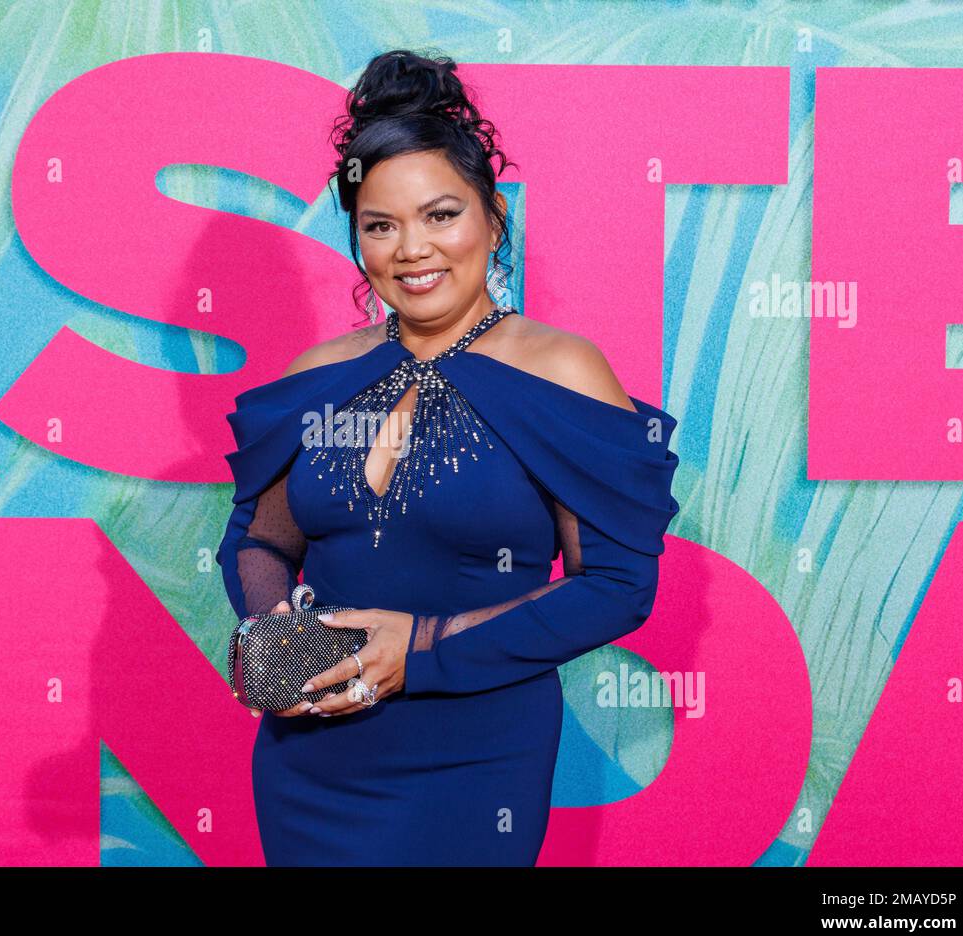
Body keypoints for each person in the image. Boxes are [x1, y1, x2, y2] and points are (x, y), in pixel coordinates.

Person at [217, 48, 680, 866]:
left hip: (475, 760)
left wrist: (425, 644)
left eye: (441, 214)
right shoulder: (320, 375)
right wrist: (269, 632)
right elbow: (260, 539)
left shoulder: (562, 371)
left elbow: (618, 585)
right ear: (356, 237)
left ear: (492, 217)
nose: (410, 249)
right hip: (311, 762)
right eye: (380, 224)